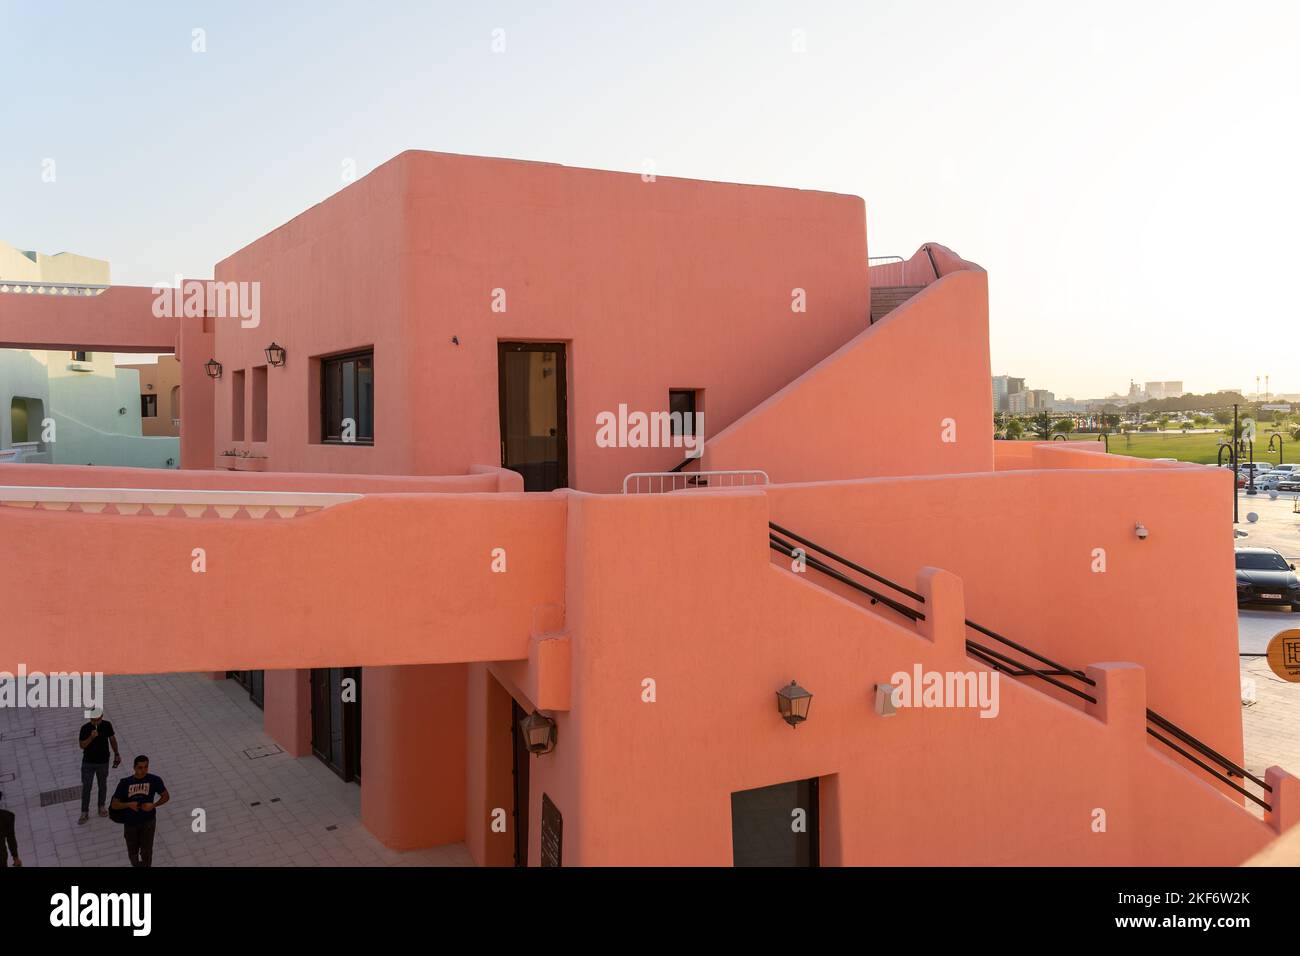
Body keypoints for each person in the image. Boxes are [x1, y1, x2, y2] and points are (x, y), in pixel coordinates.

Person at [111, 755, 169, 868]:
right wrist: (128, 804)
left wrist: (154, 805)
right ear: (134, 767)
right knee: (132, 850)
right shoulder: (125, 783)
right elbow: (114, 805)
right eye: (140, 767)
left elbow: (166, 796)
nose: (143, 770)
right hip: (130, 823)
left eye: (146, 767)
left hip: (148, 822)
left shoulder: (154, 780)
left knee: (147, 850)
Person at [77, 707, 121, 825]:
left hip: (103, 762)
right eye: (93, 720)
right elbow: (82, 745)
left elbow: (112, 739)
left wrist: (116, 753)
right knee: (87, 787)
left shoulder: (107, 725)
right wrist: (91, 737)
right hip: (88, 763)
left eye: (97, 720)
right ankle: (84, 812)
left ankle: (101, 806)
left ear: (101, 717)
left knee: (102, 785)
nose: (95, 722)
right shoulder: (85, 728)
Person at [0, 799, 19, 867]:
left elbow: (11, 838)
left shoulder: (7, 817)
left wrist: (15, 857)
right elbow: (11, 838)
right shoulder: (7, 816)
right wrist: (15, 857)